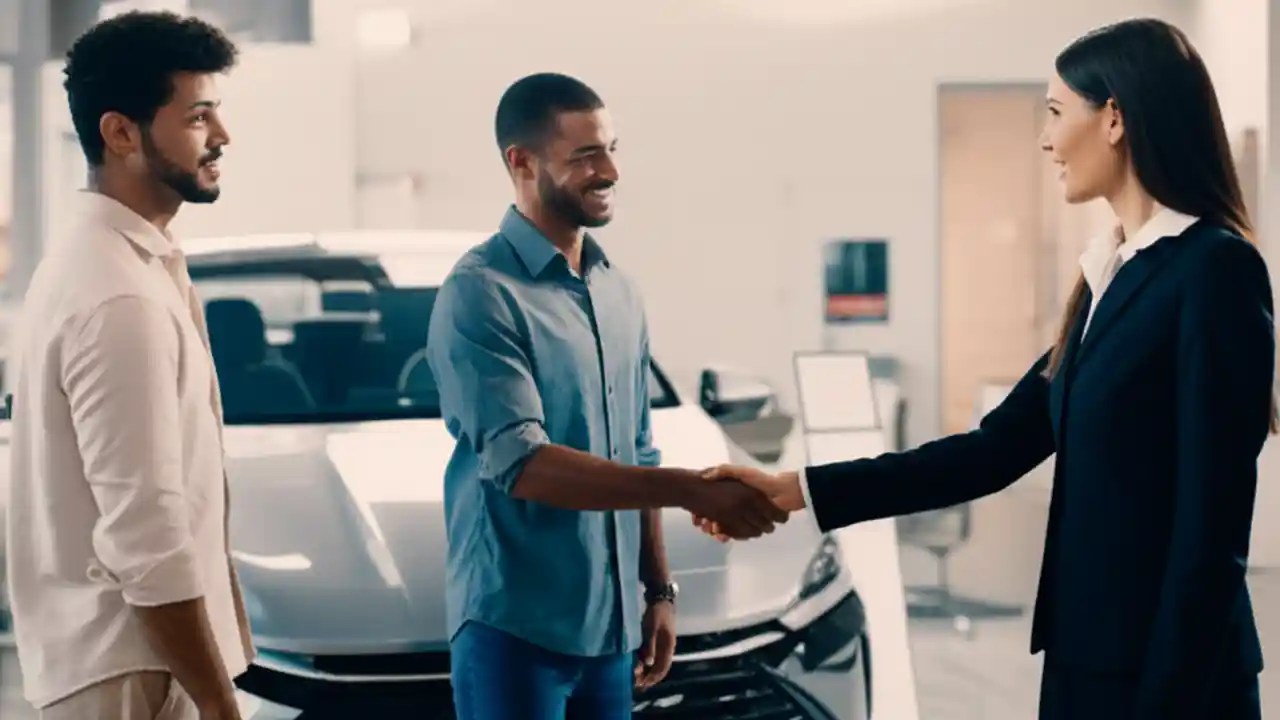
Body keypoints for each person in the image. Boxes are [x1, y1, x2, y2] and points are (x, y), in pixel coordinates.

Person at [701, 18, 1270, 720]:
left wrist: (1166, 695)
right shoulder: (1110, 278)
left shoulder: (1215, 270)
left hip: (1169, 679)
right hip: (1086, 661)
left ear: (1115, 118)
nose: (1046, 138)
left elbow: (1210, 533)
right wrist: (795, 490)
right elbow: (990, 452)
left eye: (1057, 112)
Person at [427, 72, 787, 720]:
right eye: (586, 155)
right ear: (522, 162)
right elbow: (524, 465)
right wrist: (691, 488)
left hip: (613, 634)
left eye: (612, 148)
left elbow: (638, 450)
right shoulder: (480, 293)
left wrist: (658, 592)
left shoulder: (619, 291)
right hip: (516, 631)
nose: (611, 170)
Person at [6, 11, 252, 720]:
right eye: (198, 116)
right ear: (121, 133)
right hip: (135, 672)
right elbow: (145, 533)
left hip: (133, 664)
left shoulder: (113, 264)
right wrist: (217, 702)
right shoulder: (116, 292)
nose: (222, 138)